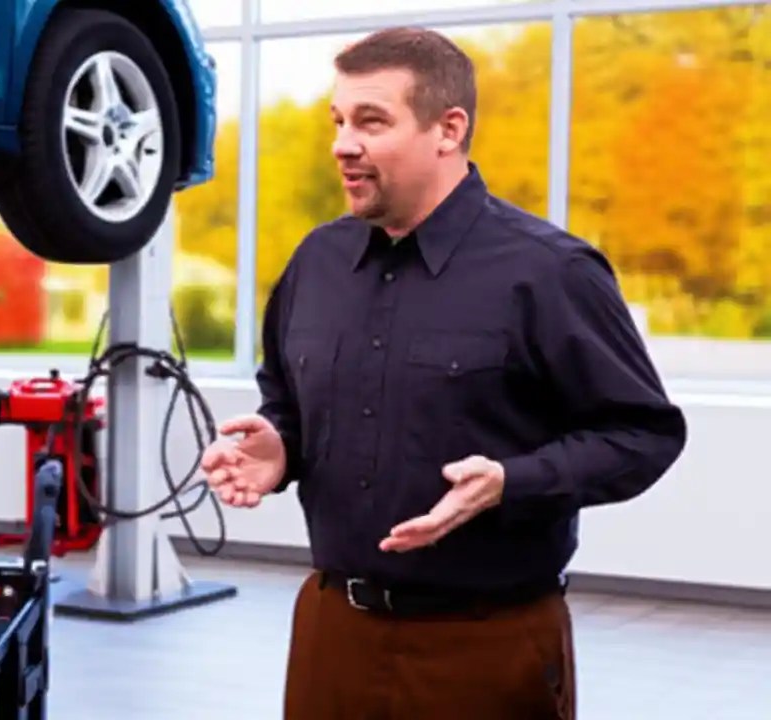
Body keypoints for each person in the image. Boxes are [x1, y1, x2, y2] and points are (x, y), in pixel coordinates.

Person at [201, 26, 687, 720]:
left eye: (372, 121)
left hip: (488, 646)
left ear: (448, 130)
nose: (343, 144)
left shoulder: (550, 272)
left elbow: (643, 435)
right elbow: (287, 399)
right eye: (339, 121)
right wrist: (282, 447)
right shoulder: (316, 263)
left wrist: (511, 482)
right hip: (331, 635)